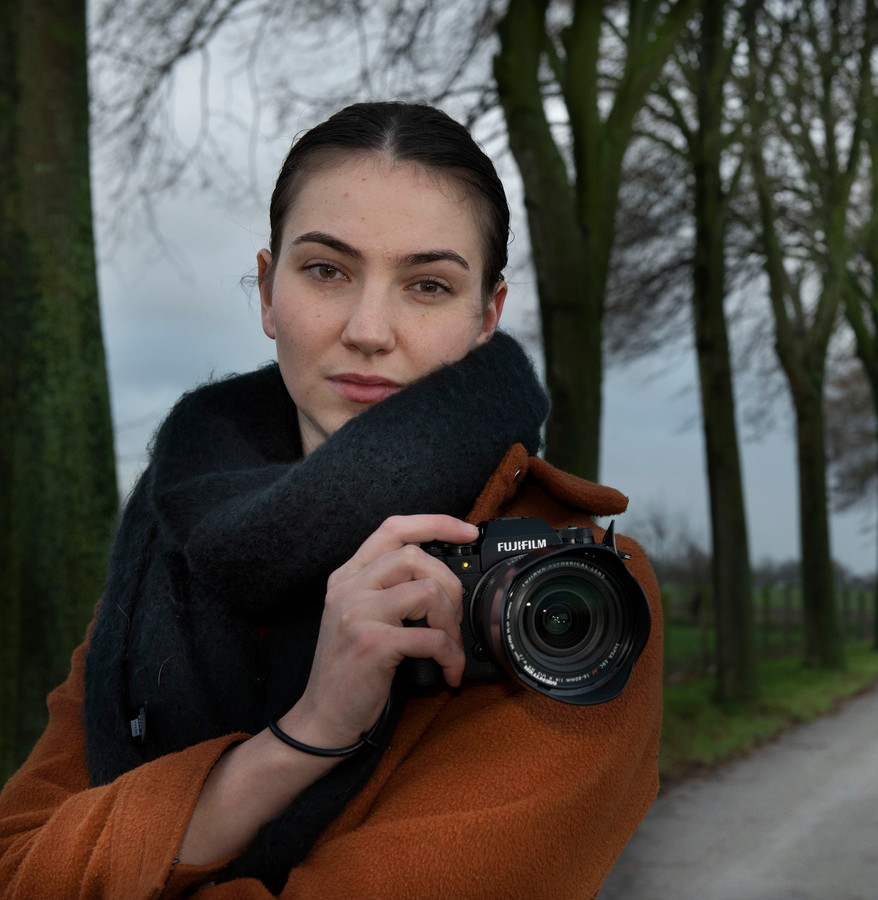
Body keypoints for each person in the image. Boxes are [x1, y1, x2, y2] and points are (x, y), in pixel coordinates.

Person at [0, 101, 663, 898]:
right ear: (267, 290)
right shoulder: (164, 544)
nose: (369, 329)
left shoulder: (571, 594)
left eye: (428, 285)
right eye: (327, 271)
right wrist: (299, 741)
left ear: (485, 315)